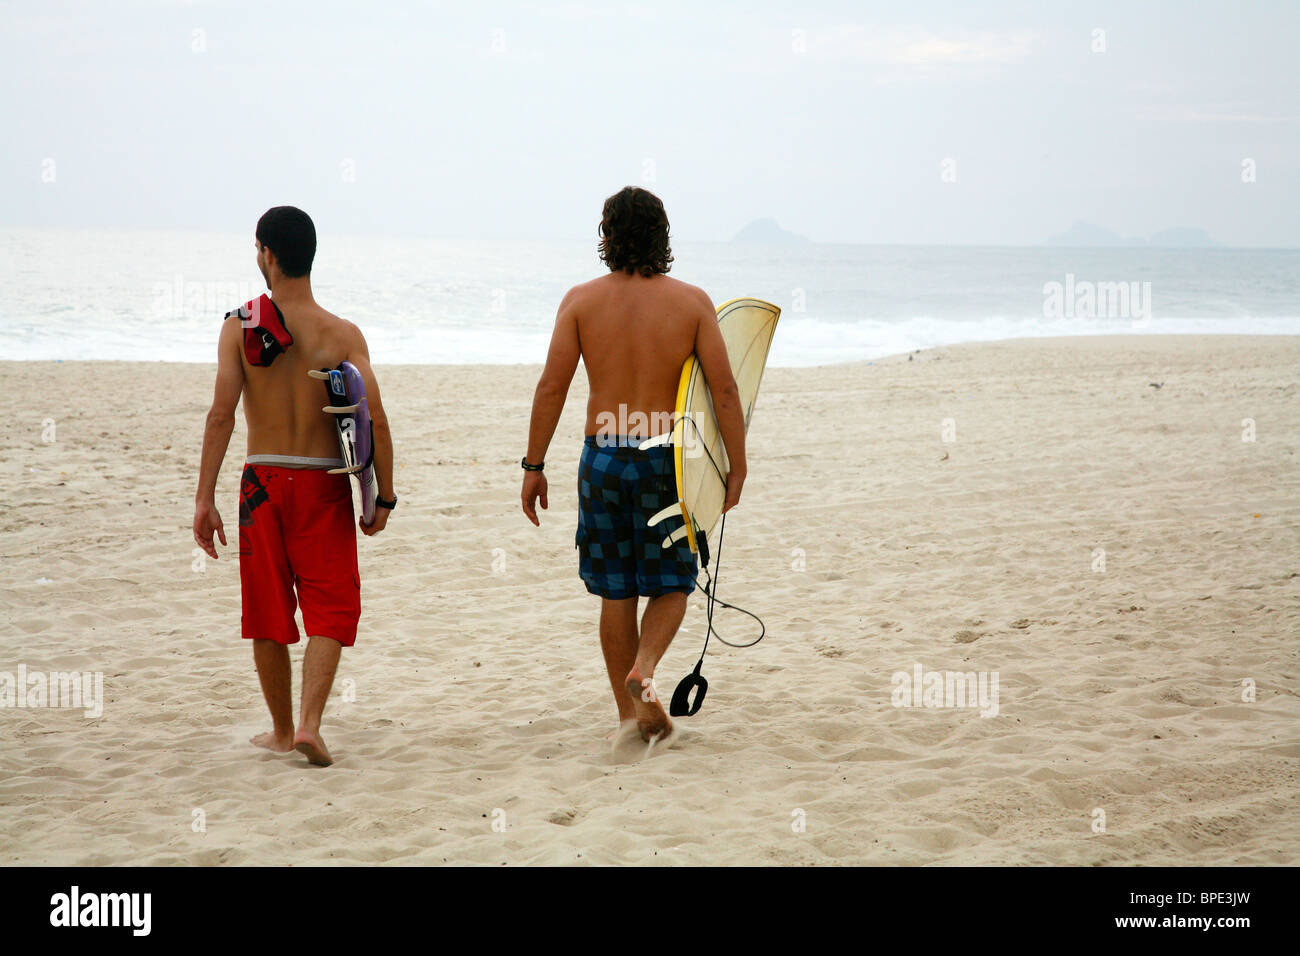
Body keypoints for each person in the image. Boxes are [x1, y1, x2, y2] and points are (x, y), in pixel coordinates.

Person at [521, 186, 746, 747]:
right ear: (662, 235)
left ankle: (628, 717)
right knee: (673, 578)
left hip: (600, 459)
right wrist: (735, 466)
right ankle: (644, 668)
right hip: (663, 459)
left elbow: (552, 386)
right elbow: (723, 388)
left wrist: (533, 464)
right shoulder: (692, 303)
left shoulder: (580, 301)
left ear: (607, 236)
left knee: (615, 590)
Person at [192, 206, 396, 767]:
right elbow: (374, 418)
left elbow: (220, 416)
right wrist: (384, 494)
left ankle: (281, 732)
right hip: (322, 484)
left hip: (261, 482)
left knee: (267, 609)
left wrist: (204, 497)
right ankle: (309, 725)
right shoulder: (342, 333)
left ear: (267, 254)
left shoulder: (239, 324)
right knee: (330, 606)